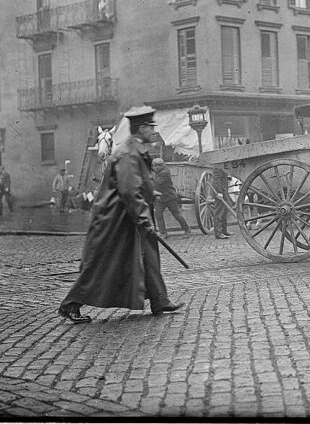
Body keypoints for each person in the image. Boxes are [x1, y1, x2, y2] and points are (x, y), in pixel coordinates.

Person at [58, 106, 184, 323]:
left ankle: (160, 300)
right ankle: (70, 304)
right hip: (115, 218)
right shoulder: (127, 153)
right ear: (141, 128)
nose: (153, 131)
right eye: (150, 127)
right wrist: (145, 219)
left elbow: (137, 183)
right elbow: (128, 189)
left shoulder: (136, 150)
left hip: (130, 215)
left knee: (149, 256)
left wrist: (149, 190)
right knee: (103, 263)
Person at [152, 157, 191, 237]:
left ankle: (187, 230)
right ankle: (163, 233)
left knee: (176, 214)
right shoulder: (158, 171)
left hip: (169, 197)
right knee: (158, 214)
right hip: (160, 197)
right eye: (154, 166)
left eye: (157, 166)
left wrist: (148, 178)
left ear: (161, 166)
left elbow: (158, 183)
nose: (155, 168)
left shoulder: (164, 172)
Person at [212, 166, 232, 240]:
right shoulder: (217, 166)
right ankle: (218, 233)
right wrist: (219, 192)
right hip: (220, 192)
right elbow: (216, 179)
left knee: (224, 212)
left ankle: (224, 231)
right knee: (219, 212)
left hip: (224, 191)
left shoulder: (222, 165)